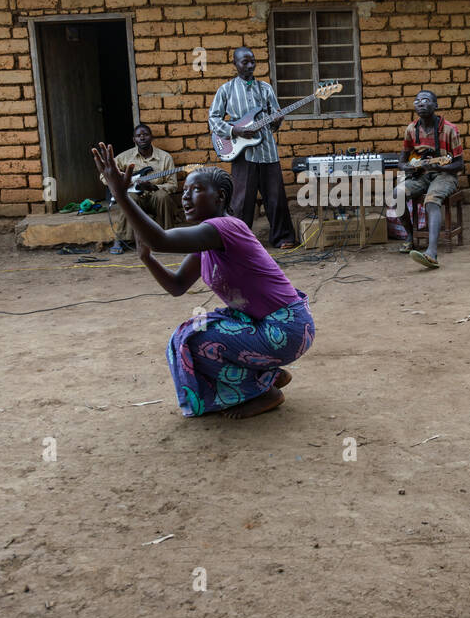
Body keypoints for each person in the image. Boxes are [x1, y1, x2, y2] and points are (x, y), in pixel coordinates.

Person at [93, 146, 315, 419]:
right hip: (266, 327)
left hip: (285, 328)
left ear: (219, 196)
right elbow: (177, 286)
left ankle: (264, 391)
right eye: (184, 191)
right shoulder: (206, 242)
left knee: (195, 342)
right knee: (190, 332)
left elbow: (160, 239)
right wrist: (146, 259)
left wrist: (120, 193)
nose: (185, 196)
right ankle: (268, 374)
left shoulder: (226, 227)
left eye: (195, 190)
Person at [207, 47, 298, 249]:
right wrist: (235, 131)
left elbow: (274, 121)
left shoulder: (265, 88)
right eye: (244, 62)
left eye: (253, 61)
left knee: (275, 197)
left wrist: (277, 120)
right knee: (241, 201)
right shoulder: (226, 90)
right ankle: (238, 240)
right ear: (235, 64)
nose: (250, 66)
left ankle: (282, 237)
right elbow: (213, 119)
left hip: (267, 151)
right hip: (243, 153)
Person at [394, 89, 464, 269]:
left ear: (436, 105)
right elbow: (402, 160)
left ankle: (431, 253)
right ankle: (410, 237)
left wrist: (438, 166)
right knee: (397, 195)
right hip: (421, 175)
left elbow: (459, 164)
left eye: (426, 100)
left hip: (445, 174)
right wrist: (408, 167)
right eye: (417, 100)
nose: (421, 103)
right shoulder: (411, 129)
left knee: (432, 201)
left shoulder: (449, 129)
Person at [105, 123, 180, 254]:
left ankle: (166, 237)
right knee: (128, 199)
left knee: (162, 196)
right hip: (135, 197)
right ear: (134, 139)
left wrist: (154, 186)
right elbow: (105, 174)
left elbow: (173, 185)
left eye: (145, 135)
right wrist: (121, 182)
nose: (142, 138)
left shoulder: (165, 157)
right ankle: (122, 240)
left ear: (151, 137)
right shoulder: (125, 157)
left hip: (155, 199)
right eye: (138, 136)